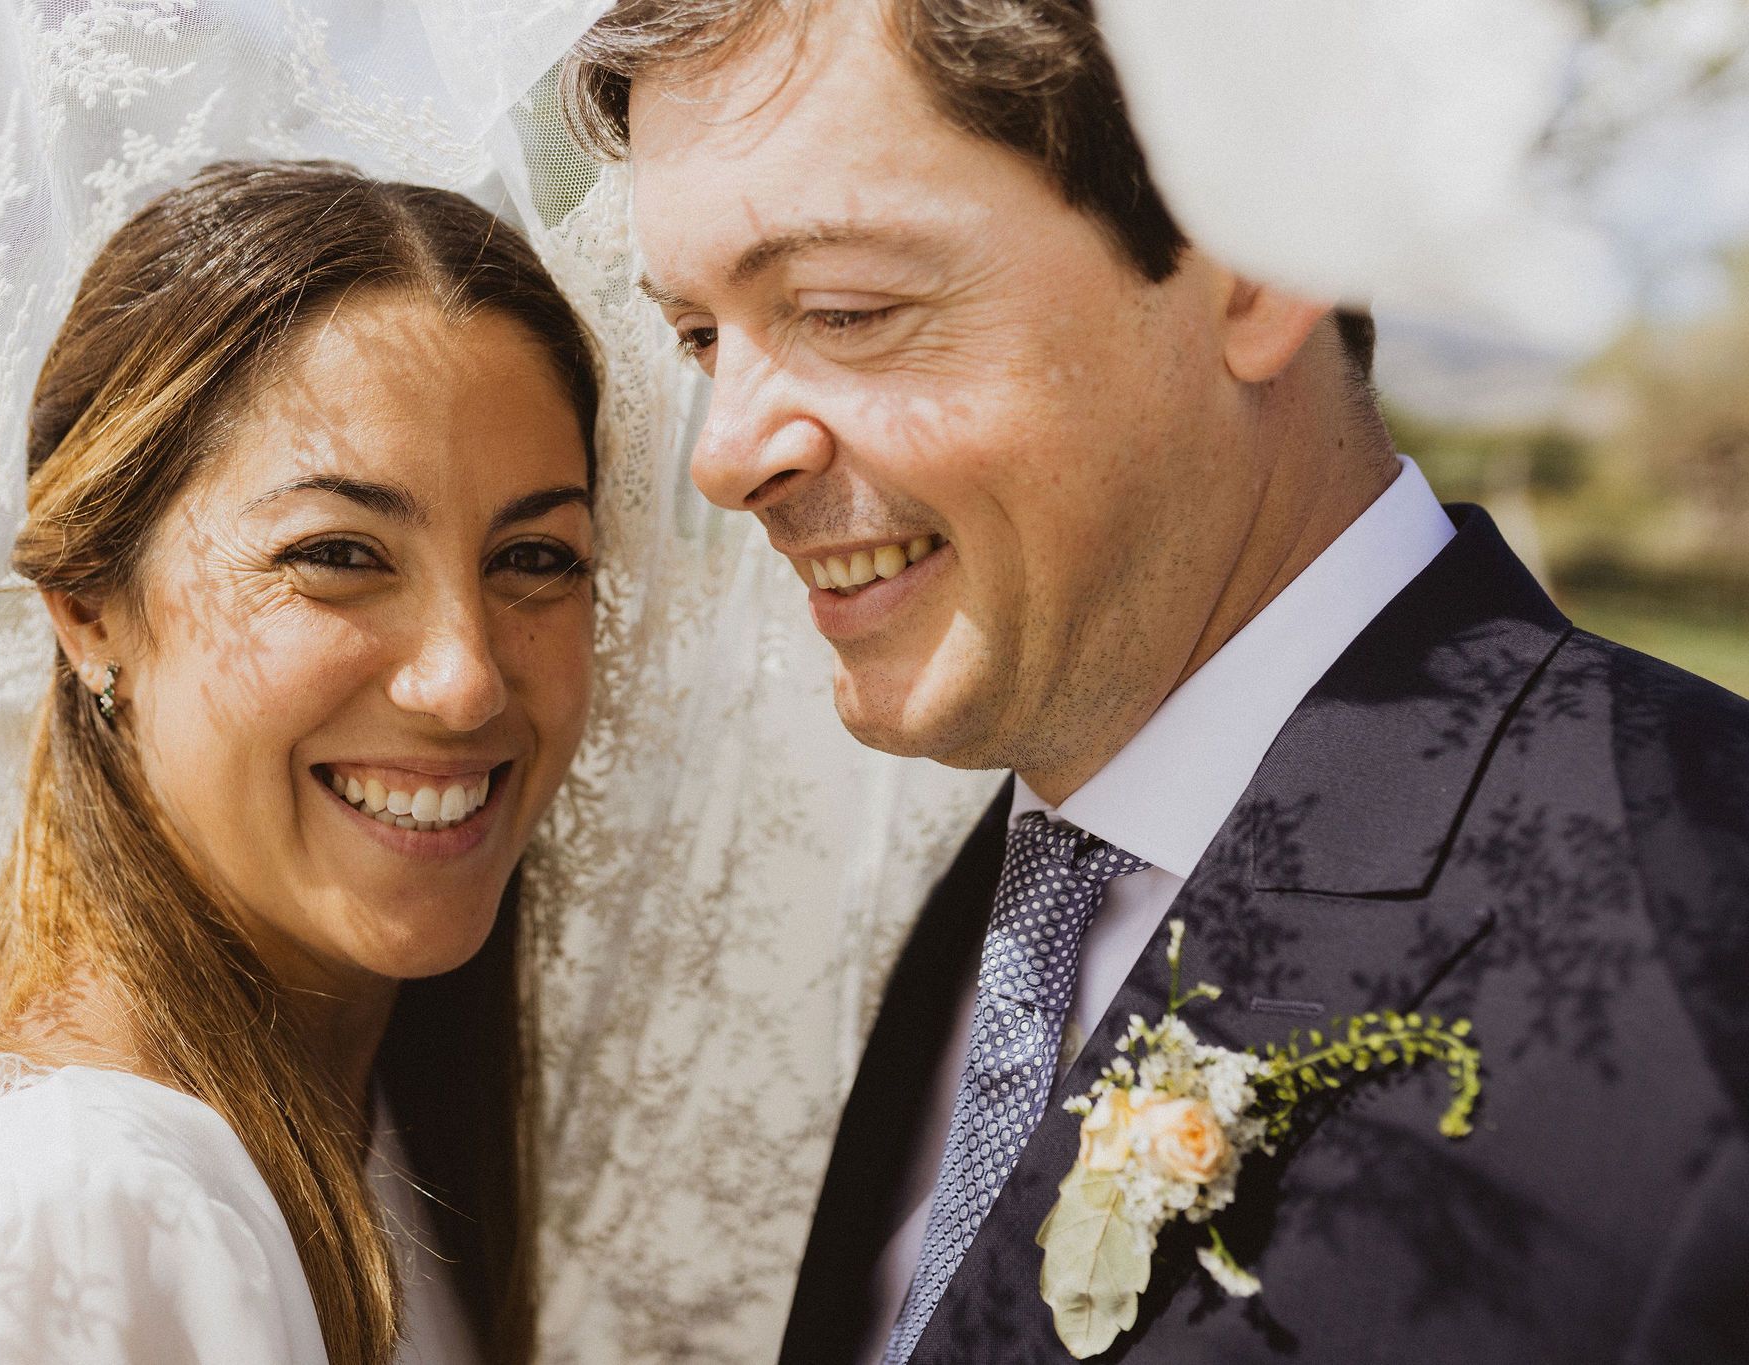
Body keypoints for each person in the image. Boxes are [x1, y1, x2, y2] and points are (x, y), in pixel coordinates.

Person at [568, 3, 1749, 1363]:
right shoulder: (996, 869)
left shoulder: (1695, 989)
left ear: (1249, 260)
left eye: (847, 309)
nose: (725, 458)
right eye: (703, 336)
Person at [0, 160, 600, 1365]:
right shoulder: (78, 1212)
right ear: (90, 607)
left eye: (535, 559)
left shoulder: (353, 1128)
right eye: (338, 554)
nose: (462, 679)